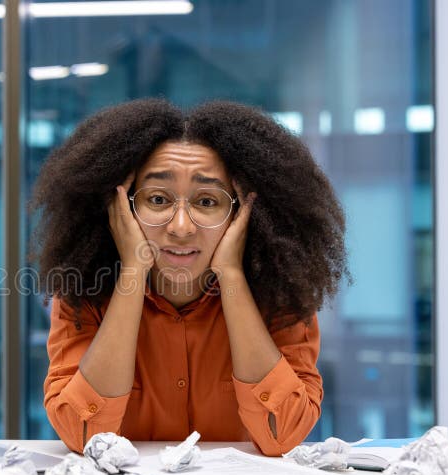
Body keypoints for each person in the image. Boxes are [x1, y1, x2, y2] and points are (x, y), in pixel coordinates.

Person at [29, 98, 348, 456]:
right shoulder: (83, 292)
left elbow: (283, 434)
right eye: (158, 199)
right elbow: (83, 435)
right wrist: (133, 272)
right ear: (122, 209)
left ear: (244, 213)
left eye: (207, 202)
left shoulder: (281, 294)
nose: (181, 227)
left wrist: (231, 276)